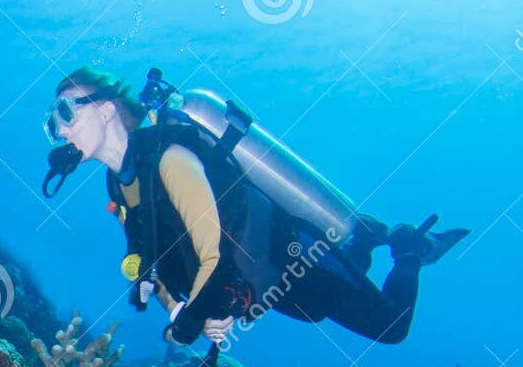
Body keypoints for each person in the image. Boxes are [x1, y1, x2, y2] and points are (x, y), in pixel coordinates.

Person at [43, 68, 467, 347]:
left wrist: (193, 318)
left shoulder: (170, 158)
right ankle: (372, 235)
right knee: (351, 261)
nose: (59, 129)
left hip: (299, 258)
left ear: (105, 108)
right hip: (265, 284)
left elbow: (213, 251)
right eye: (51, 124)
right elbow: (143, 262)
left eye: (64, 112)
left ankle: (410, 248)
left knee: (389, 328)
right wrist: (177, 309)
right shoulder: (120, 184)